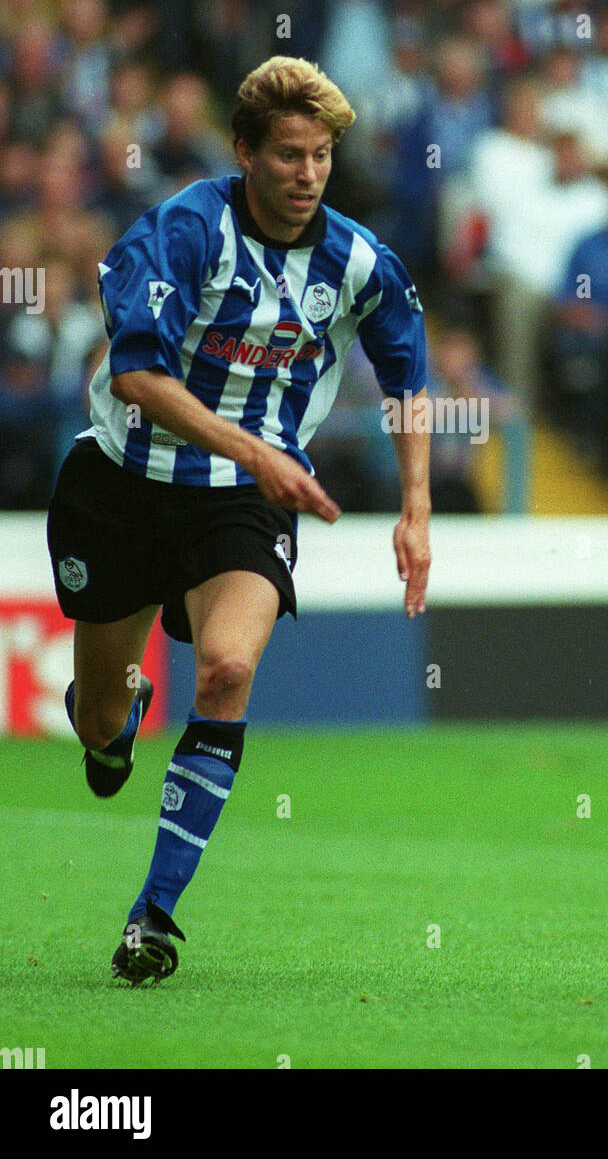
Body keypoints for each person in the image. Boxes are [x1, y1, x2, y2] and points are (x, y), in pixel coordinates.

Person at [46, 56, 431, 985]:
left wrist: (415, 504)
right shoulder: (179, 230)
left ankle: (155, 916)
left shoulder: (358, 262)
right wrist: (254, 445)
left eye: (322, 157)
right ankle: (113, 716)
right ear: (244, 152)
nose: (307, 176)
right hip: (123, 484)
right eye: (289, 156)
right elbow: (137, 374)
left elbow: (408, 375)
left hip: (242, 507)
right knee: (101, 728)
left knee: (224, 668)